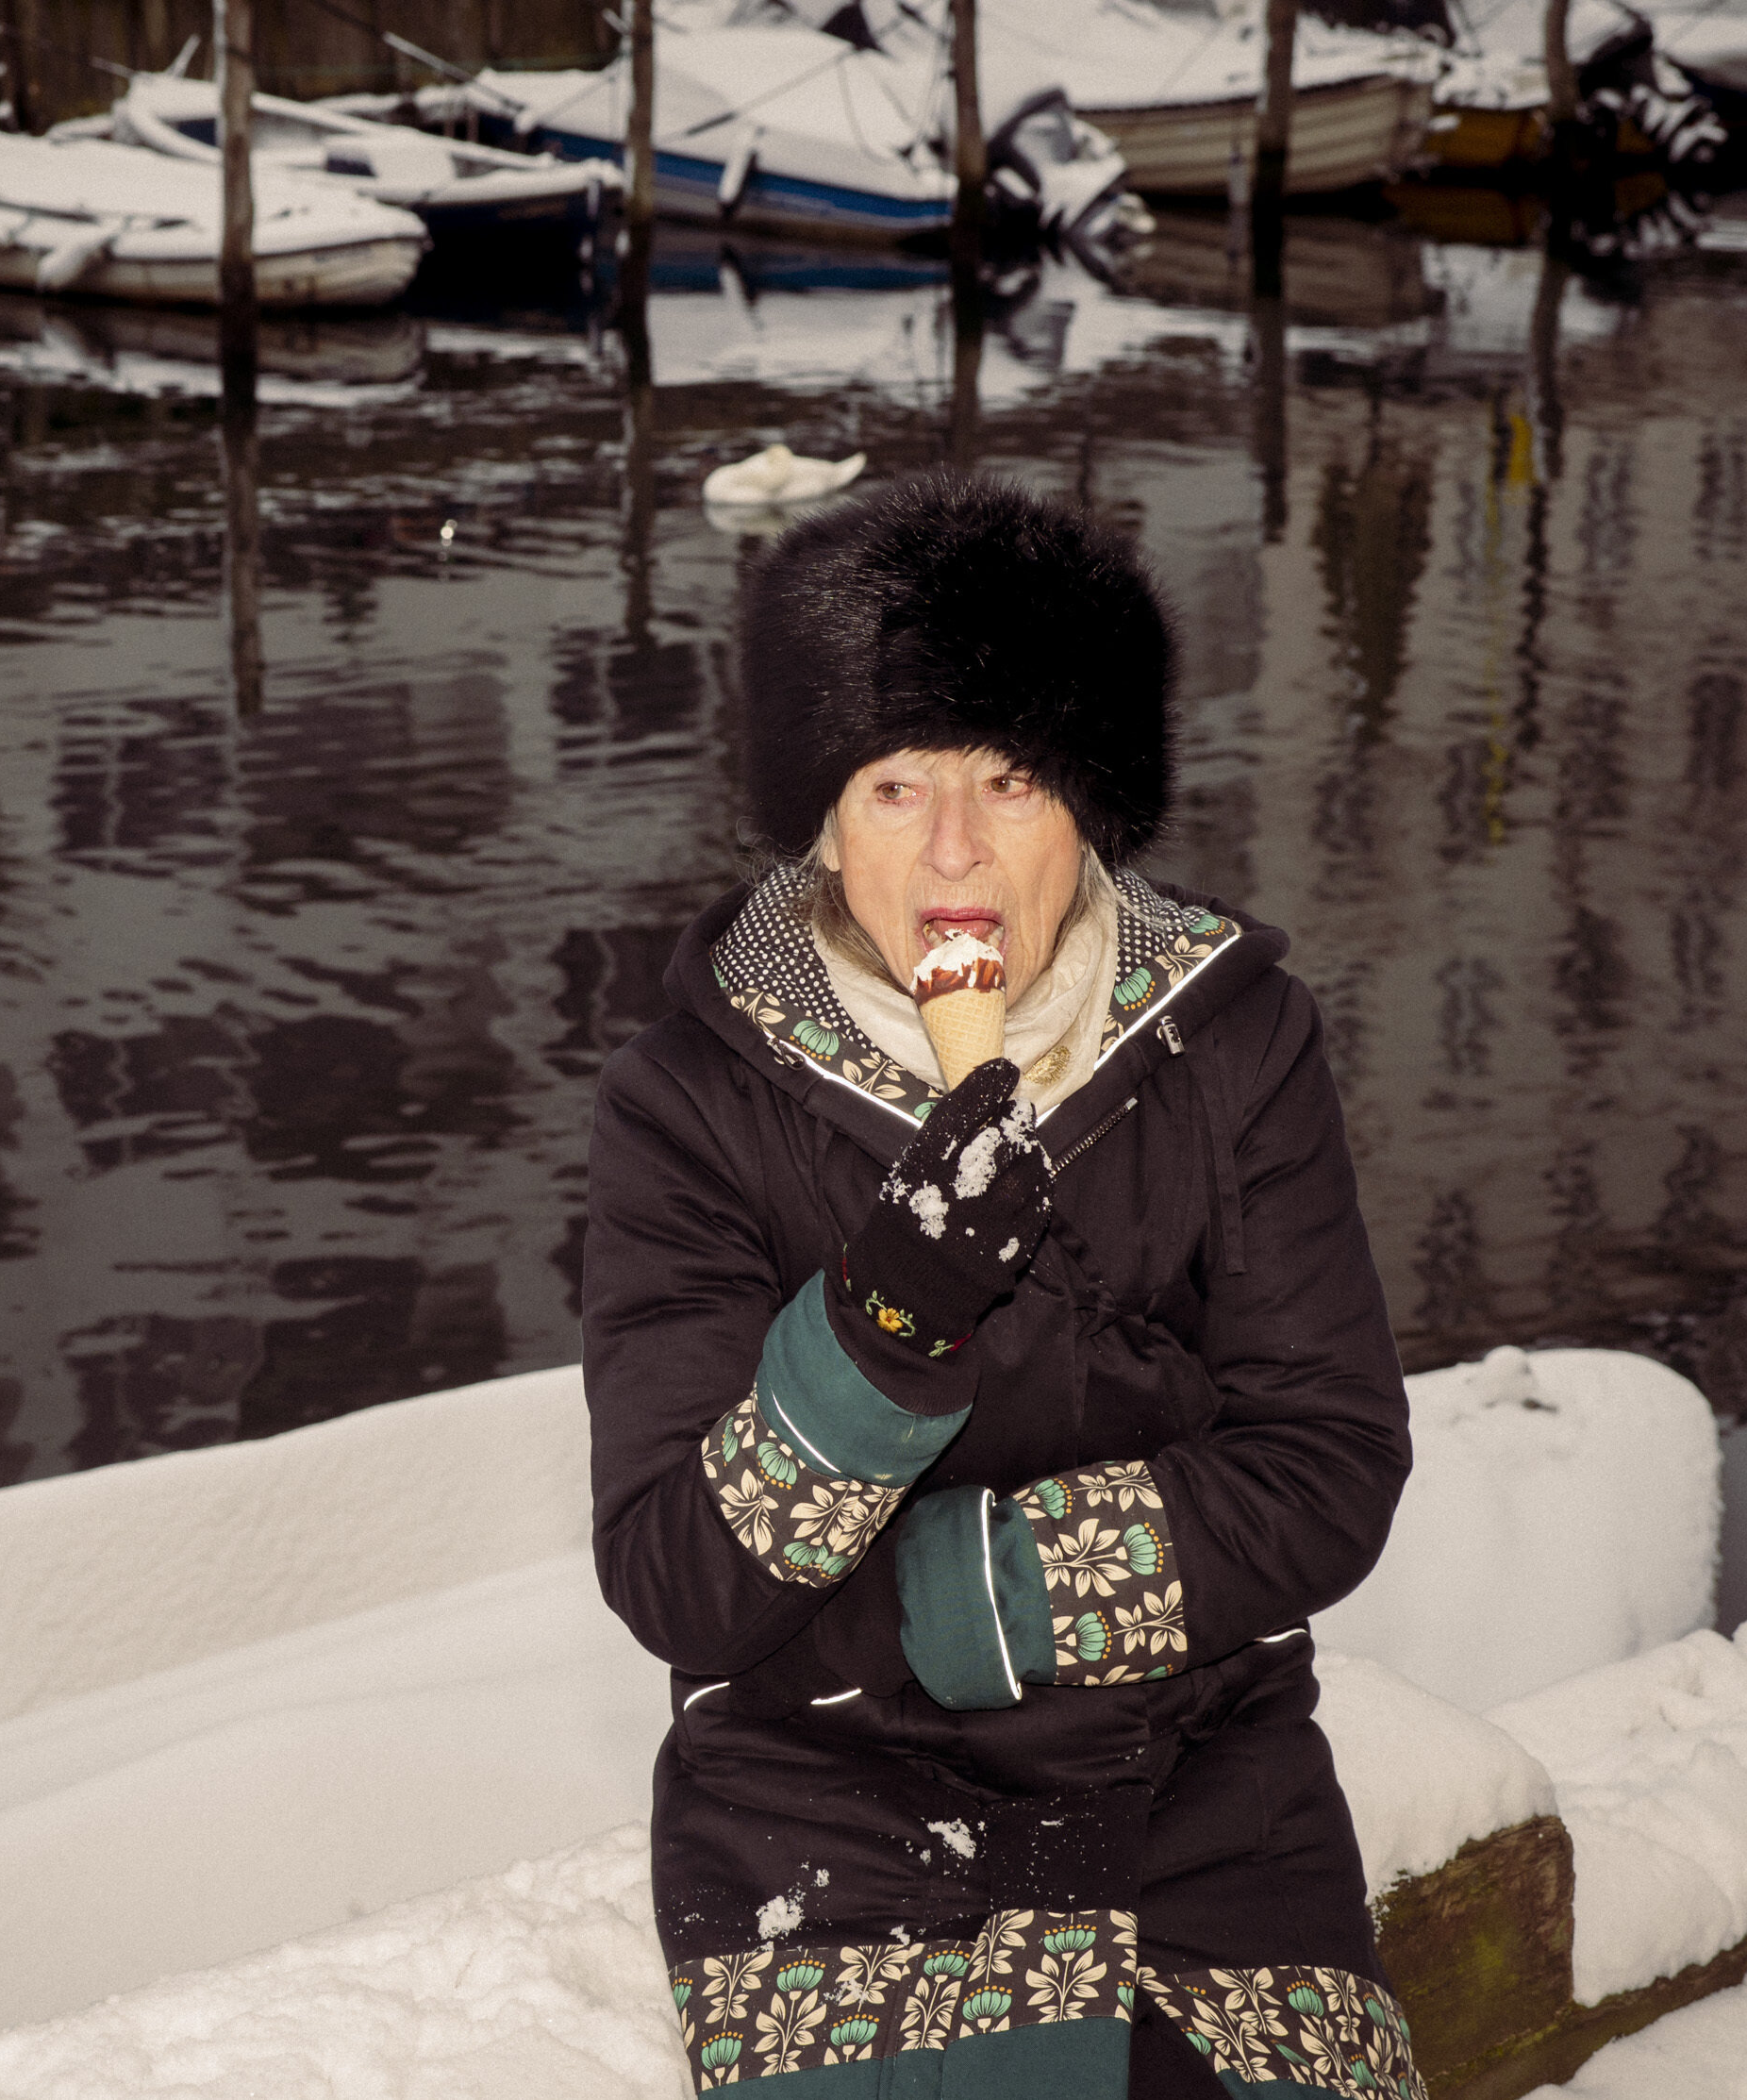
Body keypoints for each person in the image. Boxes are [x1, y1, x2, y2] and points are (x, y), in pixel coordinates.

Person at [581, 473, 1420, 2097]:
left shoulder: (1232, 1039)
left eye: (1011, 778)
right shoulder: (688, 1096)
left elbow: (1326, 1465)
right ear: (824, 819)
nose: (954, 853)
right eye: (896, 786)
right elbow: (680, 1583)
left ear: (1090, 804)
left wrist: (958, 1600)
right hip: (836, 1812)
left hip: (1205, 1789)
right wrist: (879, 1326)